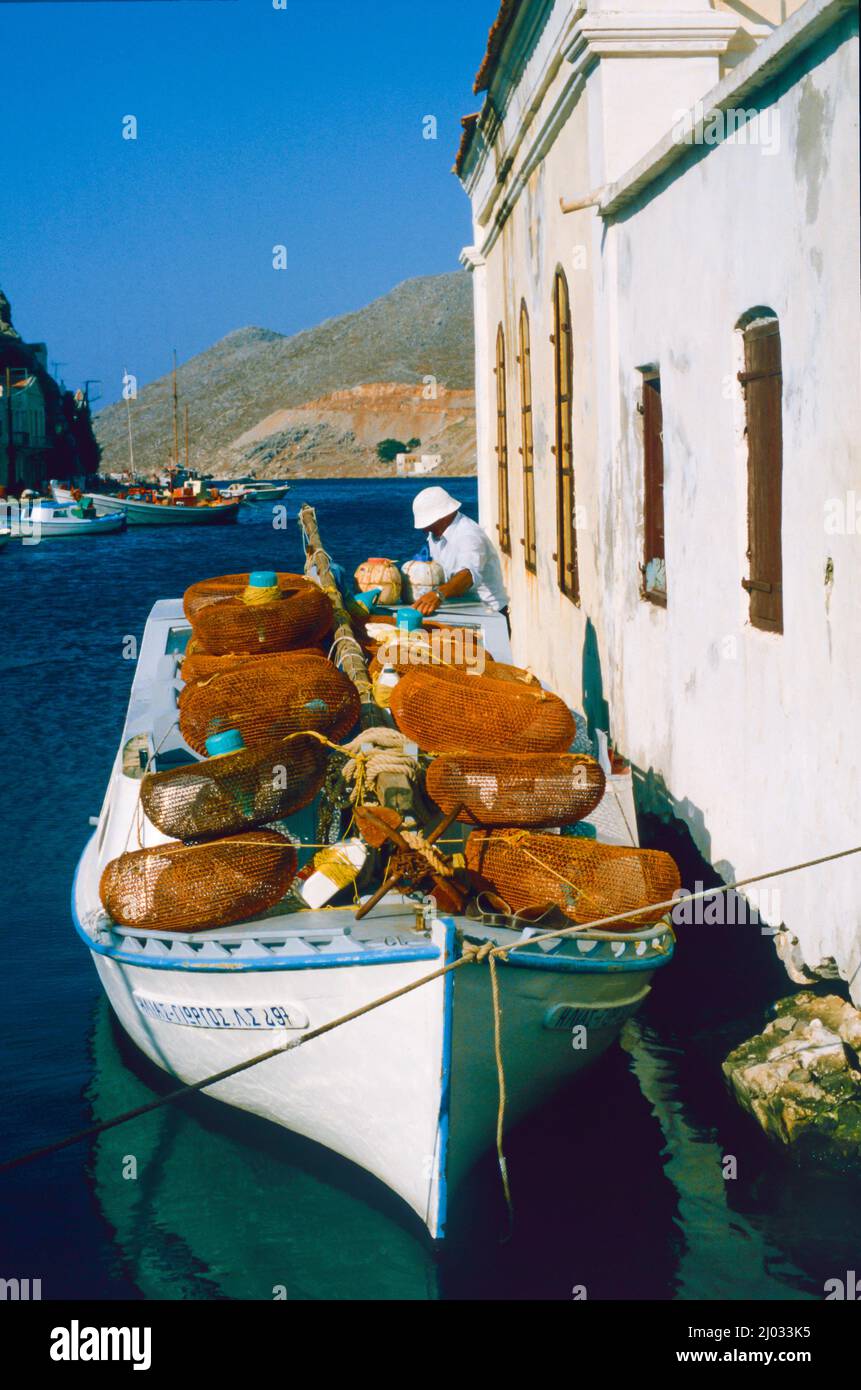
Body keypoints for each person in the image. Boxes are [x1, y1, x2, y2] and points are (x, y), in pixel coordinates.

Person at [410, 486, 510, 624]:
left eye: (428, 524)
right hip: (463, 608)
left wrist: (438, 594)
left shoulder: (469, 535)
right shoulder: (436, 532)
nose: (424, 529)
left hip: (489, 614)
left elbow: (468, 575)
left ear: (444, 516)